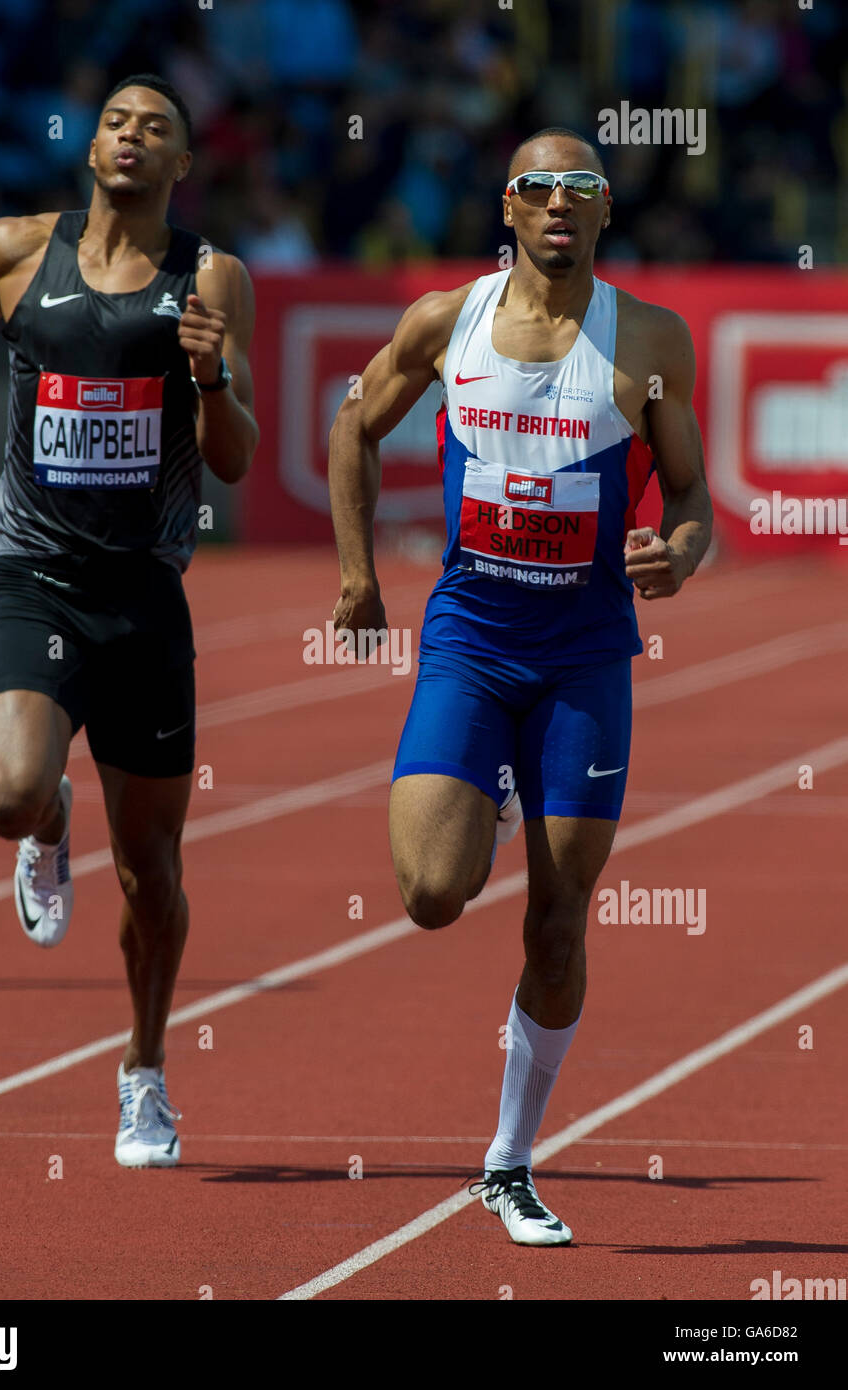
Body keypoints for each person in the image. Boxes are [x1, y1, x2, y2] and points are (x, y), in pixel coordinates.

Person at [328, 128, 712, 1244]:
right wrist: (358, 577)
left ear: (603, 215)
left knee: (557, 922)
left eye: (579, 189)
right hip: (470, 641)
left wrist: (677, 555)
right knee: (431, 895)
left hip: (586, 656)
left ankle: (507, 1160)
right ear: (508, 206)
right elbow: (355, 422)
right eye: (537, 187)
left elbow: (691, 500)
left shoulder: (645, 342)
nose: (557, 204)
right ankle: (489, 794)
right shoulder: (445, 321)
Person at [0, 75, 259, 1165]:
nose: (132, 137)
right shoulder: (10, 249)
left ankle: (144, 1068)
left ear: (183, 165)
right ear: (91, 147)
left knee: (153, 873)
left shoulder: (210, 274)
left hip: (144, 593)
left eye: (158, 130)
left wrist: (213, 376)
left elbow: (234, 456)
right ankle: (47, 820)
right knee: (5, 792)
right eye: (117, 122)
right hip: (35, 572)